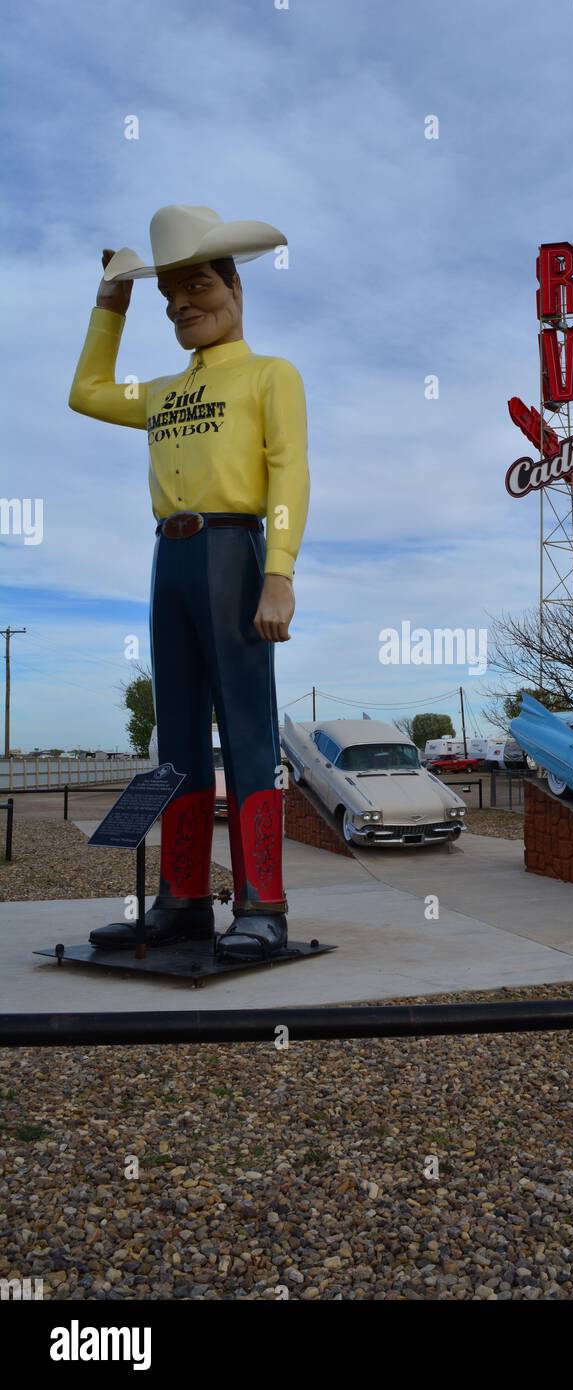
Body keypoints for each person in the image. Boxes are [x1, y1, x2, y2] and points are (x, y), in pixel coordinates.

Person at [68, 205, 309, 961]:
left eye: (197, 284)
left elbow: (289, 472)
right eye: (168, 291)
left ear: (237, 287)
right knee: (174, 737)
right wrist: (112, 301)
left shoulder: (271, 375)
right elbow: (85, 391)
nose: (181, 303)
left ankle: (262, 903)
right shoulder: (163, 392)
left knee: (246, 726)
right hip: (168, 557)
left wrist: (279, 573)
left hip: (235, 550)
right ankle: (181, 900)